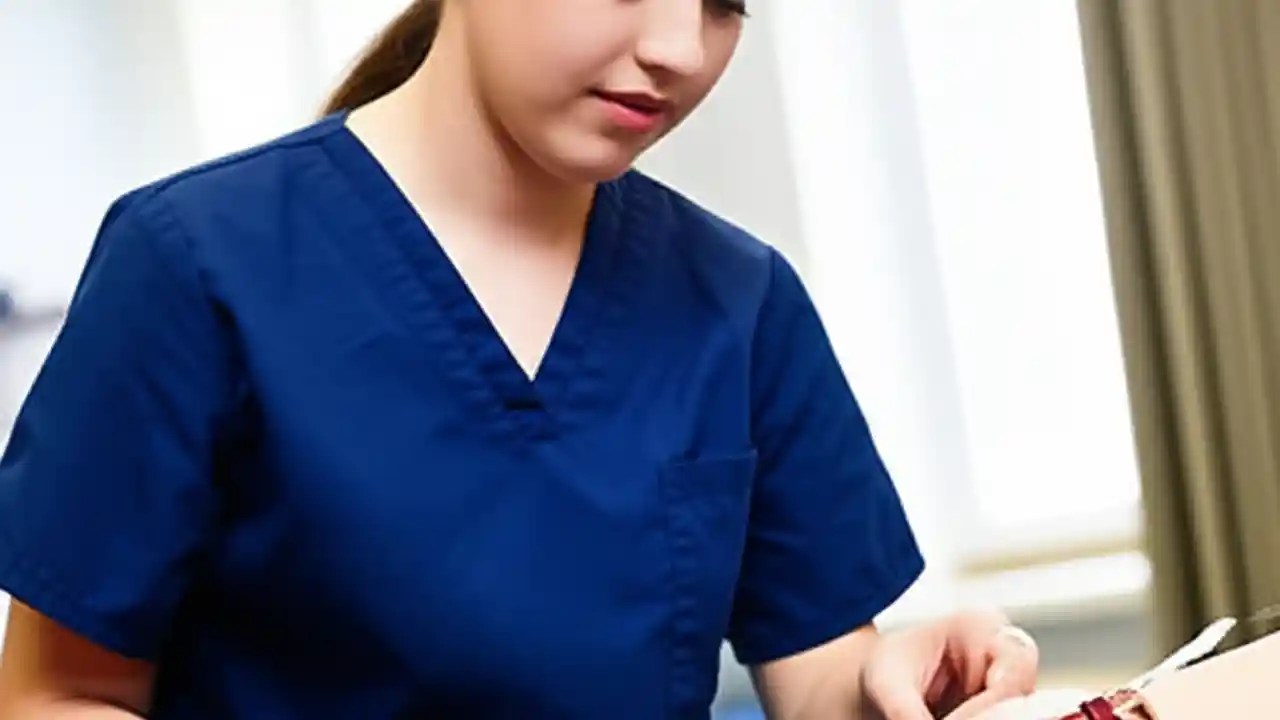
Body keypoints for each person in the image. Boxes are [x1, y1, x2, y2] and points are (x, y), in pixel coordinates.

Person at [0, 1, 1038, 718]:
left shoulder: (740, 303)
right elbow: (60, 696)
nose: (679, 45)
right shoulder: (196, 264)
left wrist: (893, 684)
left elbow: (816, 674)